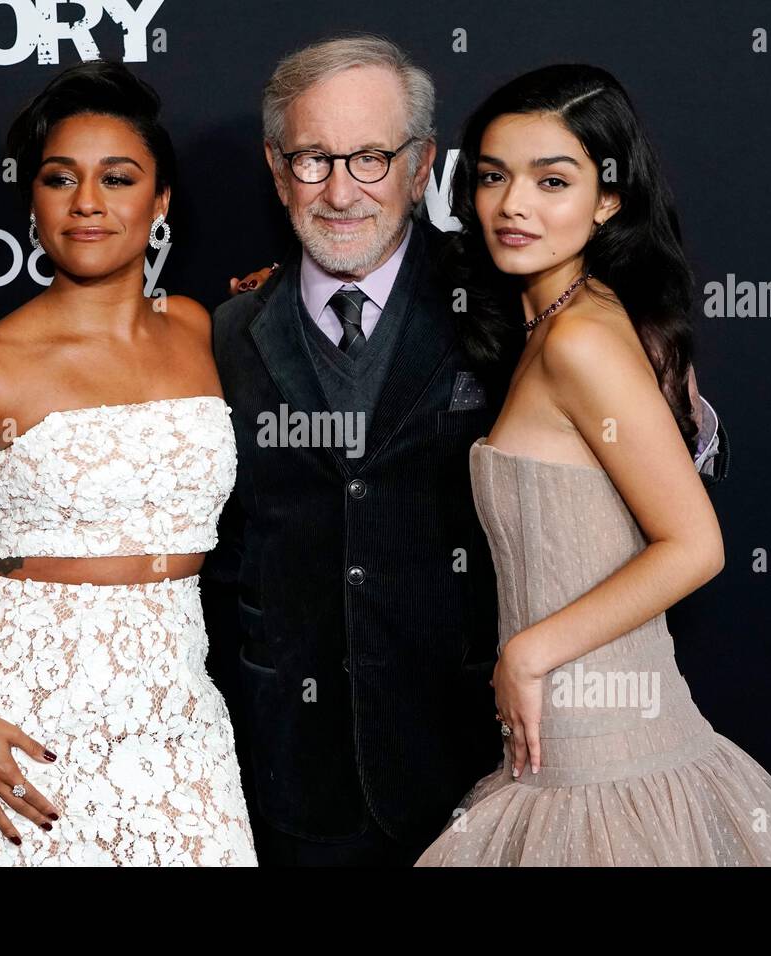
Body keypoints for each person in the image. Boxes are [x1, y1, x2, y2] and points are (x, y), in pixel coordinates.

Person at [206, 35, 726, 866]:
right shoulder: (229, 330)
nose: (341, 190)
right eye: (312, 159)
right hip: (301, 773)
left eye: (372, 157)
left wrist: (674, 389)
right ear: (278, 170)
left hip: (484, 752)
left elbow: (655, 469)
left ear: (421, 168)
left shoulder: (504, 296)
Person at [414, 64, 771, 866]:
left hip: (600, 747)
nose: (513, 204)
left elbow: (694, 544)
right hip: (567, 739)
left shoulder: (582, 340)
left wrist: (527, 653)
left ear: (608, 199)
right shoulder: (569, 320)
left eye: (552, 179)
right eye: (494, 176)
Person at [0, 59, 256, 866]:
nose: (88, 203)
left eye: (117, 179)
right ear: (33, 203)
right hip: (15, 709)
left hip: (176, 698)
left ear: (158, 205)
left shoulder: (195, 327)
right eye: (61, 179)